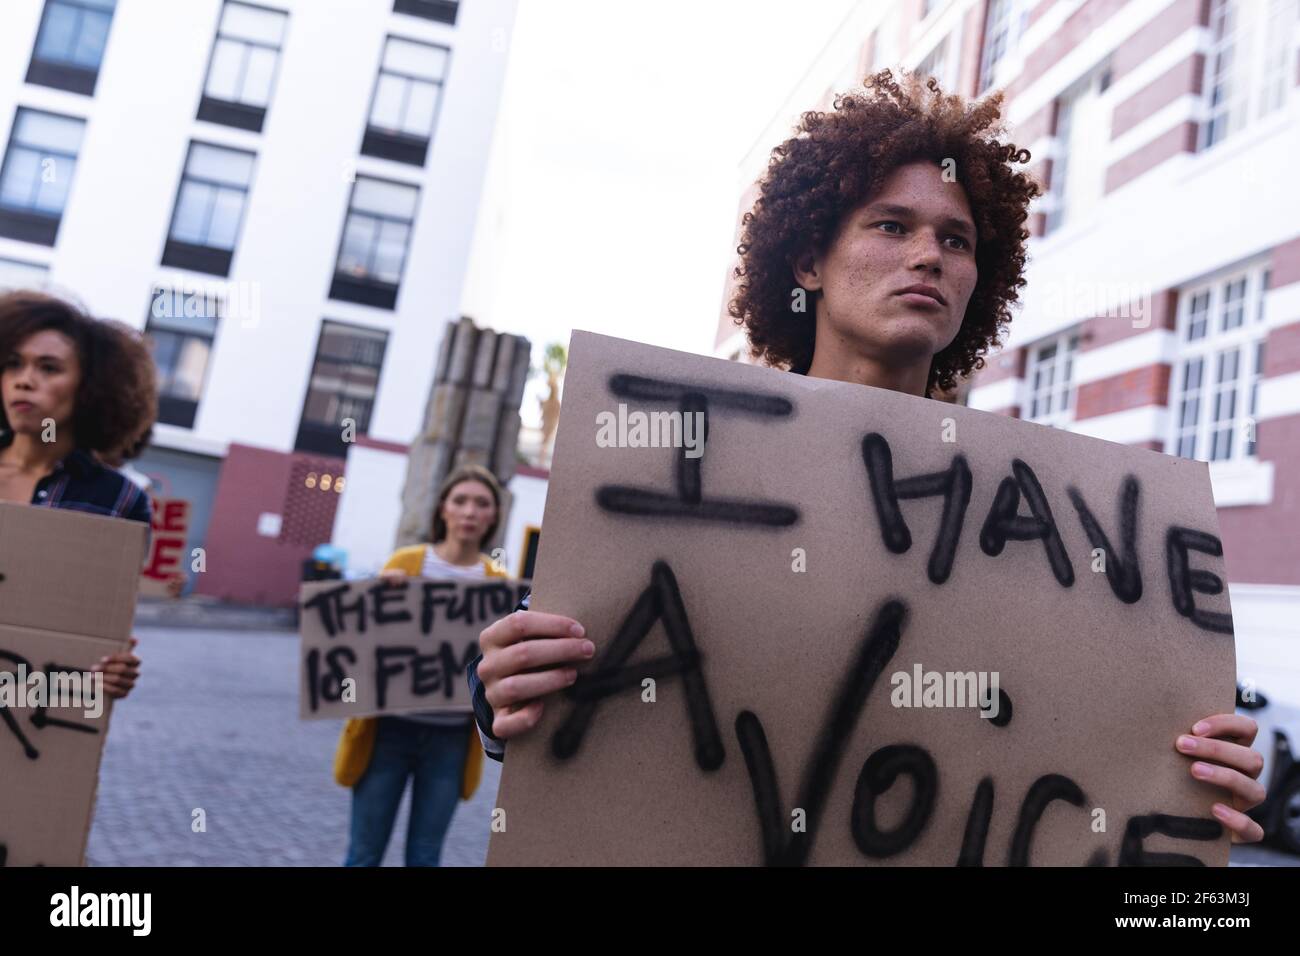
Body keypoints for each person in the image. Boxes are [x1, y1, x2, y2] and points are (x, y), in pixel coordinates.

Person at [467, 70, 1267, 846]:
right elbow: (608, 682)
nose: (929, 256)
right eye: (892, 226)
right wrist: (503, 693)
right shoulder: (681, 461)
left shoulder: (1048, 517)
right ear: (808, 262)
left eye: (956, 240)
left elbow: (1059, 740)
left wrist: (1184, 782)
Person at [338, 463, 507, 866]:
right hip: (387, 732)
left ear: (493, 516)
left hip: (450, 740)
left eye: (481, 503)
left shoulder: (497, 583)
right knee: (363, 852)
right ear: (443, 509)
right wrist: (377, 598)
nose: (469, 511)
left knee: (426, 856)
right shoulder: (406, 563)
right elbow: (359, 643)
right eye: (460, 500)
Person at [0, 291, 155, 700]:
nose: (24, 379)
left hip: (27, 721)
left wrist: (111, 671)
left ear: (88, 387)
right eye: (12, 363)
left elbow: (93, 630)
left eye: (49, 368)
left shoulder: (119, 501)